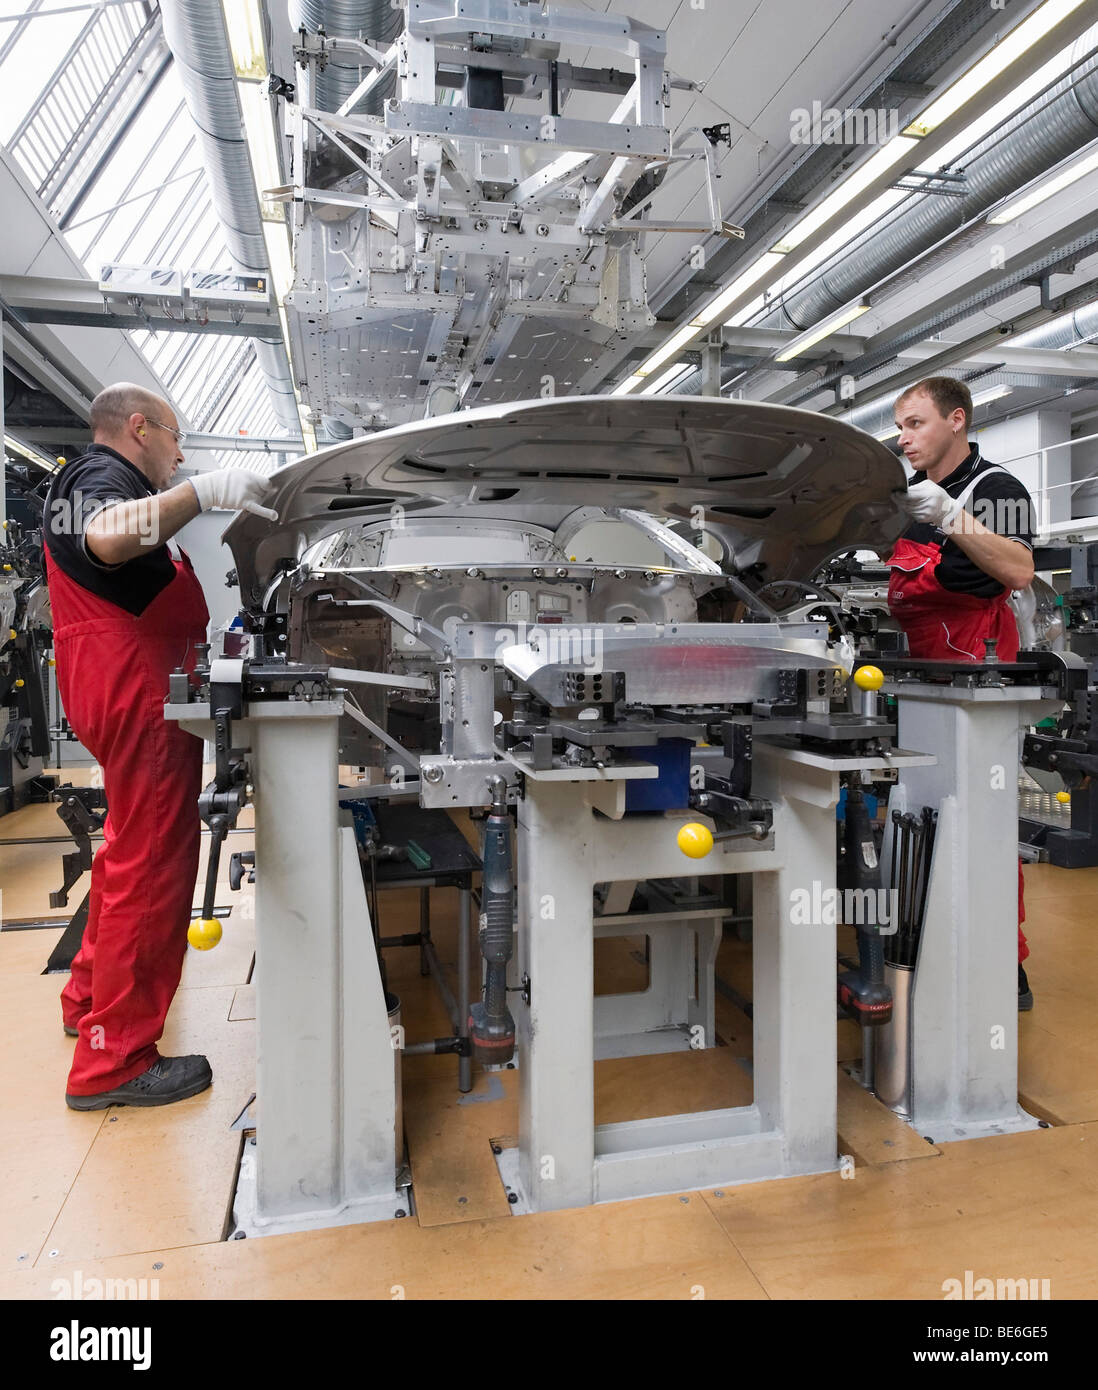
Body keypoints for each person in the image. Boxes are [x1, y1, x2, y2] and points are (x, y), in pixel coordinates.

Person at [44, 382, 278, 1108]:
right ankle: (114, 1061)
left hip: (123, 680)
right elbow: (110, 538)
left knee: (125, 852)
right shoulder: (99, 479)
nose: (179, 458)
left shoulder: (89, 483)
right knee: (151, 867)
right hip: (134, 686)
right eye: (175, 440)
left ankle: (88, 1004)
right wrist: (205, 491)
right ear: (138, 427)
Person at [888, 376, 1036, 1009]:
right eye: (900, 426)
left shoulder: (992, 488)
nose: (903, 438)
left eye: (915, 423)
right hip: (921, 678)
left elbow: (1018, 568)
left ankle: (1006, 963)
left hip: (980, 676)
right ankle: (927, 943)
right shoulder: (907, 495)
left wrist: (950, 516)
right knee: (919, 813)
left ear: (955, 420)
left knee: (983, 818)